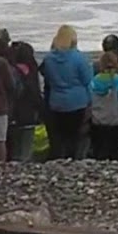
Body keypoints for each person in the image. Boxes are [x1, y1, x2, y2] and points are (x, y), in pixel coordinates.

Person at [40, 25, 93, 160]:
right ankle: (73, 161)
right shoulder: (79, 58)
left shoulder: (48, 59)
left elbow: (47, 78)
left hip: (56, 101)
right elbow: (88, 79)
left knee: (59, 137)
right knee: (75, 136)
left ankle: (59, 160)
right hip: (77, 102)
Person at [88, 51, 118, 160]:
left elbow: (89, 98)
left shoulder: (94, 80)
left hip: (97, 119)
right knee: (116, 147)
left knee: (99, 147)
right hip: (115, 119)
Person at [7, 41, 42, 162]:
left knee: (13, 147)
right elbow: (35, 94)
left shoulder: (10, 69)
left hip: (11, 114)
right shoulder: (31, 71)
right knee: (26, 147)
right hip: (28, 115)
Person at [0, 36, 13, 163]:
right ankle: (1, 166)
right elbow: (10, 85)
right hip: (0, 105)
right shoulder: (2, 63)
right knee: (0, 139)